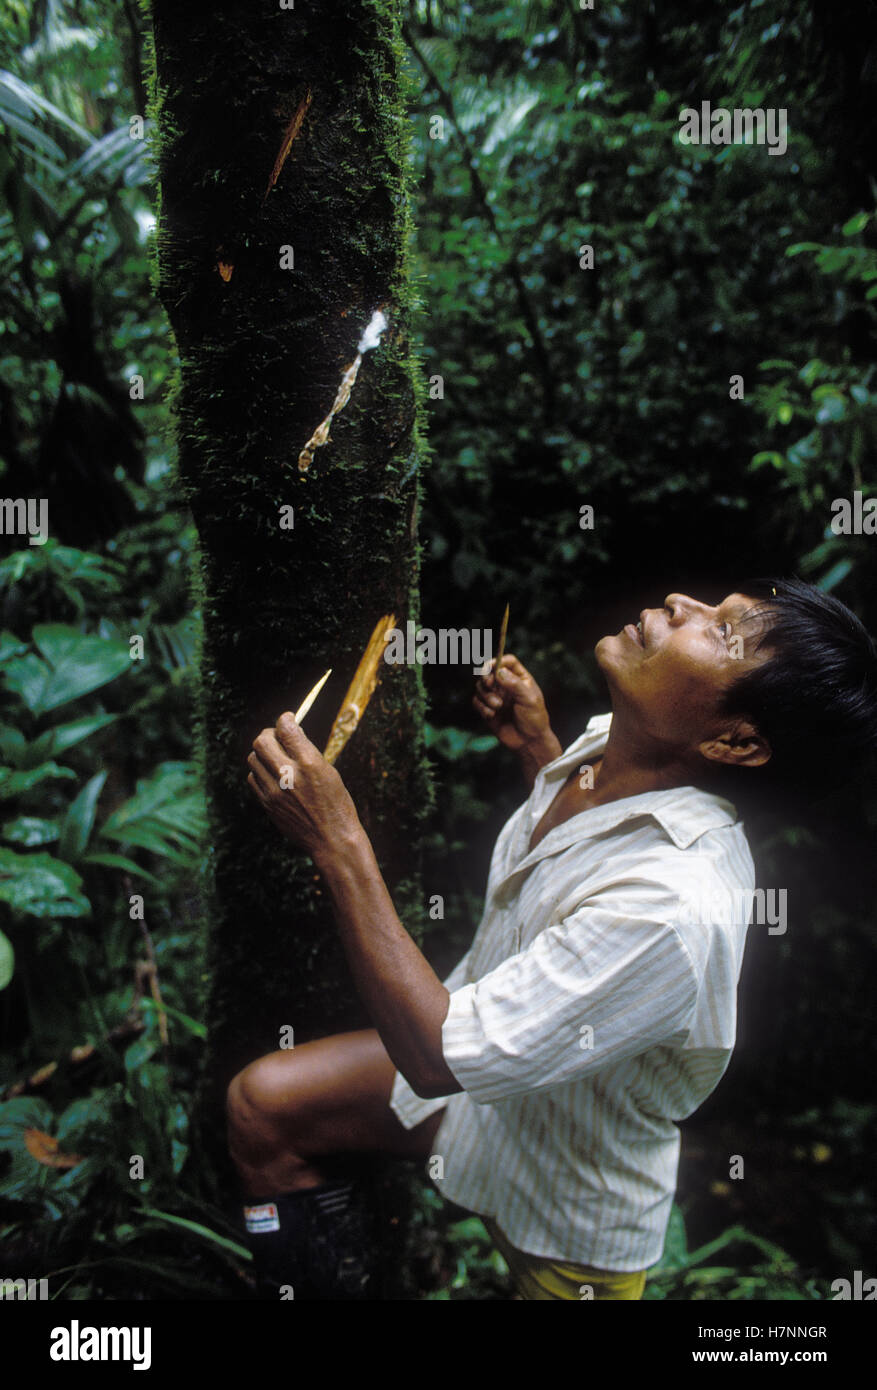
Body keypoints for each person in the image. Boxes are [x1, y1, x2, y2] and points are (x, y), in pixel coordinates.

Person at [227, 578, 877, 1300]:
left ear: (734, 741)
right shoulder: (610, 750)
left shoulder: (671, 906)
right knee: (264, 1108)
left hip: (564, 1203)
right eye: (711, 603)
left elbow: (434, 1060)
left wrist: (338, 841)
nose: (677, 602)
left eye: (722, 633)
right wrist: (539, 750)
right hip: (484, 1095)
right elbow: (586, 864)